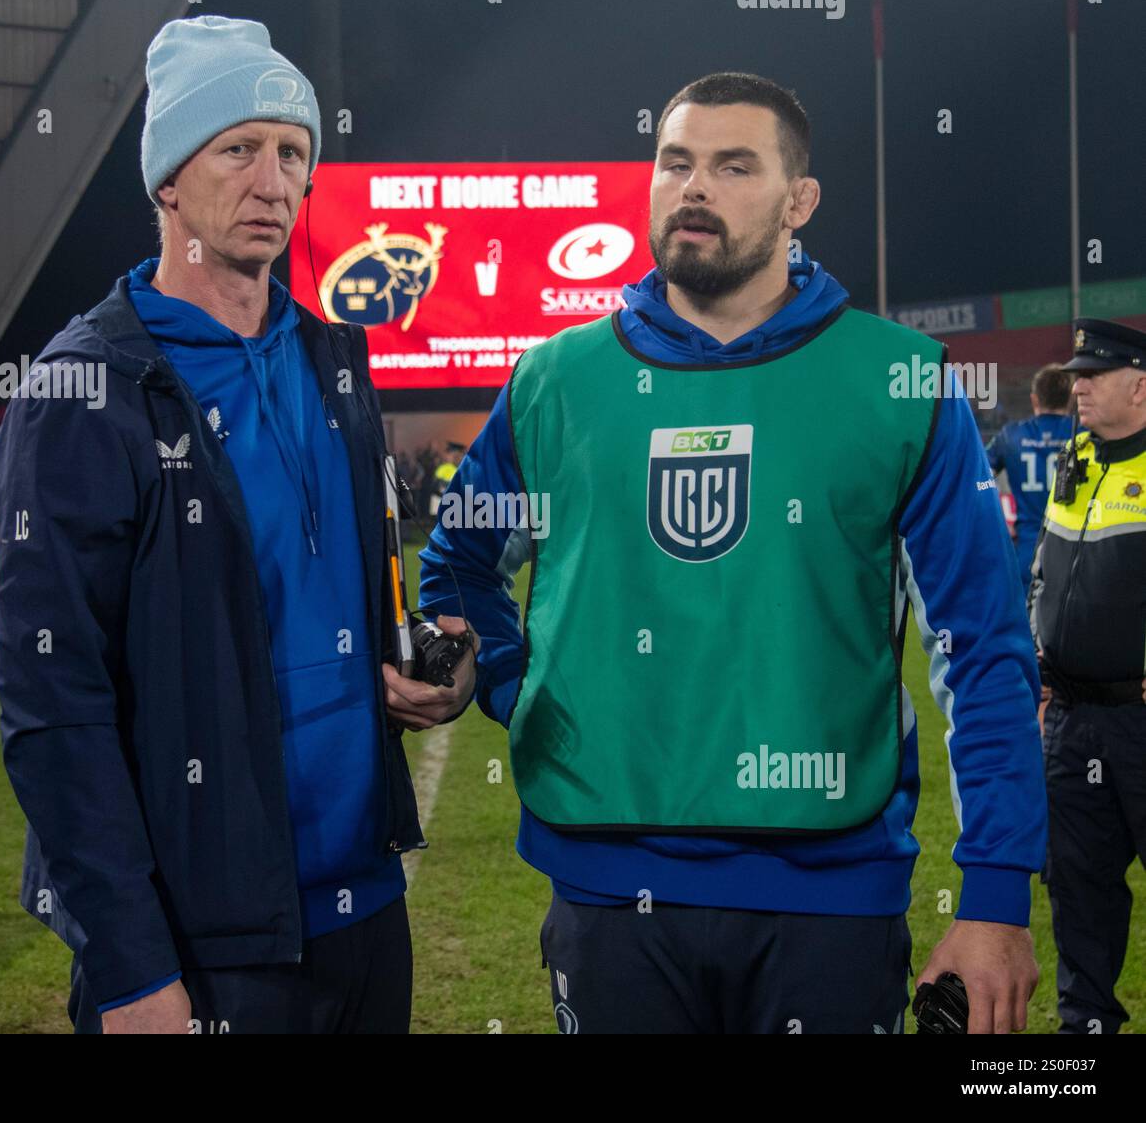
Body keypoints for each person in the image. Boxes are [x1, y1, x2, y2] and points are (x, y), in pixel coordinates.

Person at [415, 71, 1045, 1034]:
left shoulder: (902, 378)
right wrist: (512, 681)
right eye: (677, 162)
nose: (695, 186)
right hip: (606, 889)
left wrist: (997, 893)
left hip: (830, 891)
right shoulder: (555, 378)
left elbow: (984, 644)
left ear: (801, 201)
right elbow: (460, 562)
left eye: (733, 165)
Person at [0, 14, 473, 1036]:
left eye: (294, 151)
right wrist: (127, 969)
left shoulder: (335, 362)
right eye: (238, 148)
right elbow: (51, 702)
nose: (273, 180)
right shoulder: (84, 386)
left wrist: (417, 673)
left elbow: (336, 600)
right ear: (169, 178)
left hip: (366, 916)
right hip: (201, 947)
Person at [1029, 317, 1146, 1035]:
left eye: (1093, 374)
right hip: (1071, 720)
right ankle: (1087, 1033)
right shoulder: (1077, 456)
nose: (1078, 385)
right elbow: (1047, 568)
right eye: (1075, 373)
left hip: (1137, 716)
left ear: (1140, 384)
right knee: (1076, 885)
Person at [987, 365, 1074, 589]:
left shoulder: (1011, 435)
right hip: (1075, 547)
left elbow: (976, 478)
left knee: (1030, 620)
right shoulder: (1082, 432)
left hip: (1029, 547)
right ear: (1070, 398)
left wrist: (997, 519)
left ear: (1035, 399)